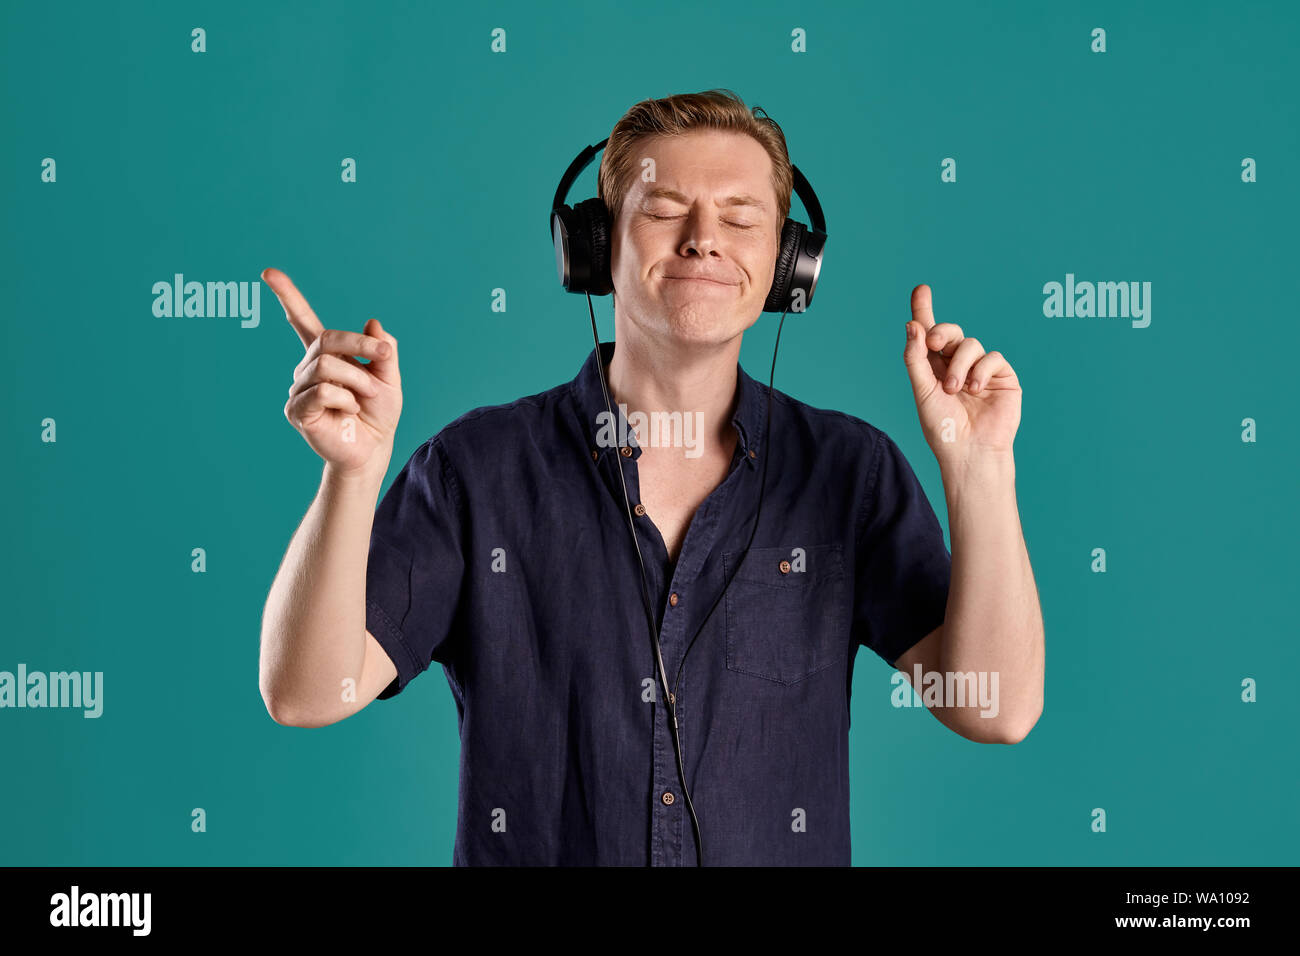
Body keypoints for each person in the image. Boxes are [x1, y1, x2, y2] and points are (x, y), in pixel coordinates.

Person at [258, 89, 1044, 866]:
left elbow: (996, 709)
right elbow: (306, 694)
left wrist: (981, 471)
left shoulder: (850, 472)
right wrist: (351, 476)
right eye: (664, 209)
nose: (704, 240)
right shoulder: (476, 468)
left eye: (740, 218)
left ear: (786, 265)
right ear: (597, 248)